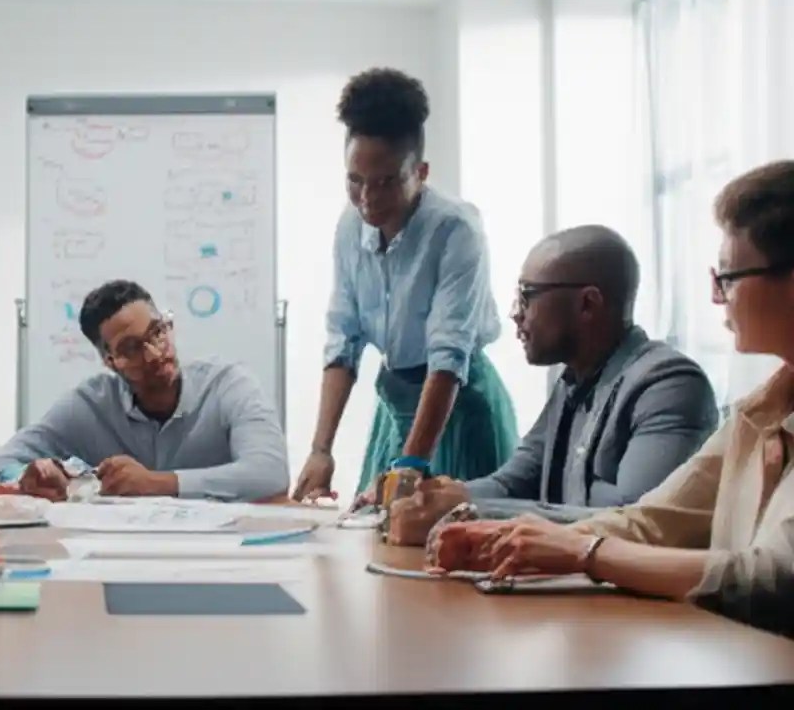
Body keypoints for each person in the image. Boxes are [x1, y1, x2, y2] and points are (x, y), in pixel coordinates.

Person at [430, 161, 794, 638]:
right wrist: (502, 539)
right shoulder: (759, 410)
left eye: (727, 276)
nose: (716, 297)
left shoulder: (668, 380)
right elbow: (653, 520)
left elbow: (772, 579)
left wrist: (584, 552)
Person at [380, 225, 719, 545]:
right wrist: (430, 499)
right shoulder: (573, 380)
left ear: (588, 303)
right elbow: (512, 482)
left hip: (630, 608)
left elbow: (634, 525)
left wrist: (466, 513)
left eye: (528, 296)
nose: (516, 313)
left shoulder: (668, 386)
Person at [293, 67, 518, 502]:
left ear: (422, 172)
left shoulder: (455, 230)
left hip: (457, 402)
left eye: (386, 182)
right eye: (354, 181)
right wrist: (321, 450)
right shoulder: (349, 226)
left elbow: (448, 357)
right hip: (396, 402)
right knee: (374, 530)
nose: (367, 199)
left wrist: (411, 467)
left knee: (448, 542)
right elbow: (343, 339)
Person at [0, 280, 288, 503]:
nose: (154, 354)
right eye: (131, 348)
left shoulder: (228, 385)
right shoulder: (88, 406)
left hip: (225, 555)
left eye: (158, 332)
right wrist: (30, 477)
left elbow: (270, 473)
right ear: (109, 361)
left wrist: (156, 483)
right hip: (118, 555)